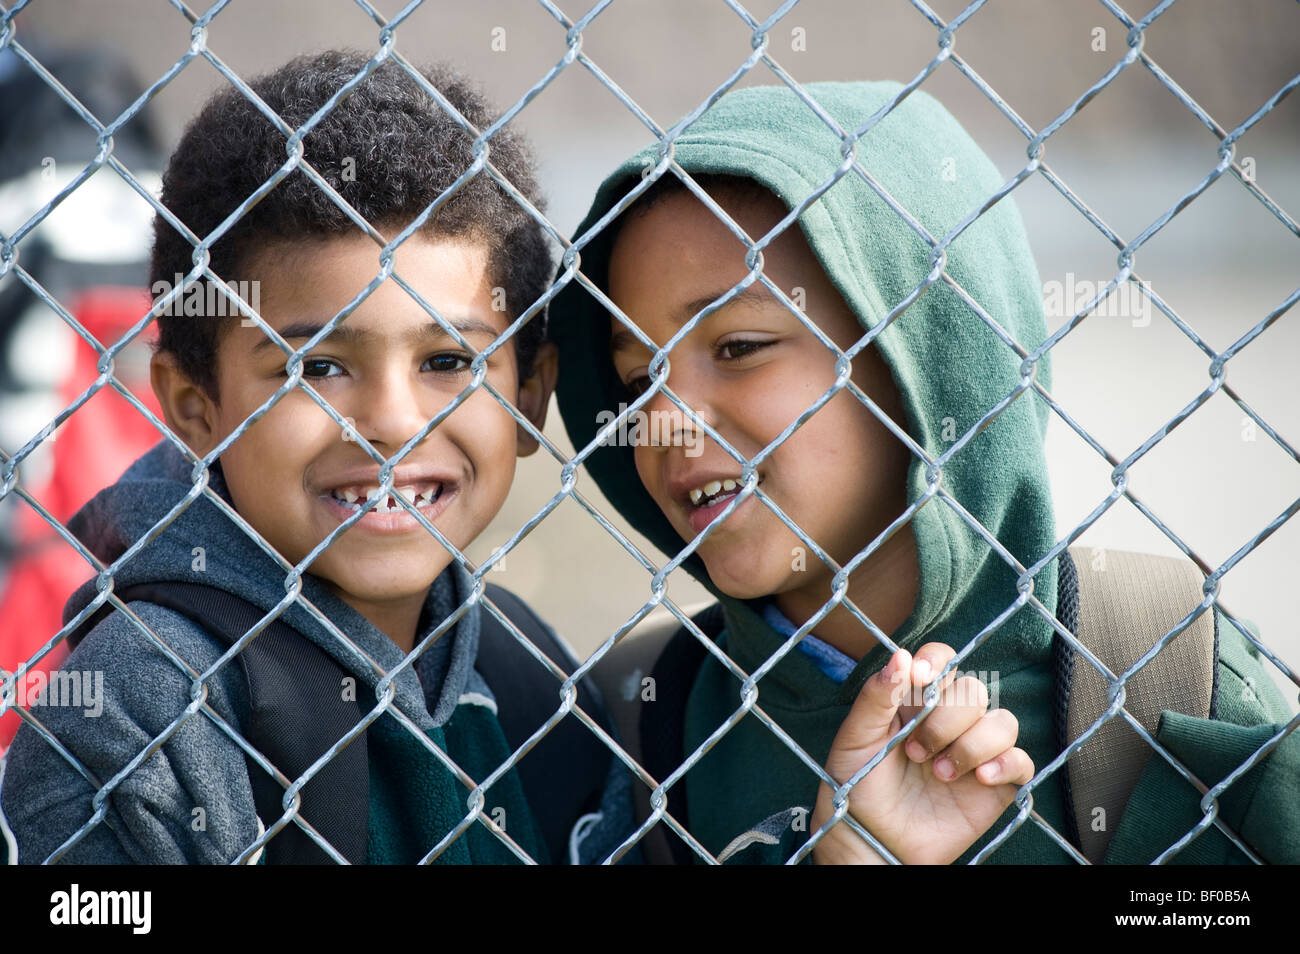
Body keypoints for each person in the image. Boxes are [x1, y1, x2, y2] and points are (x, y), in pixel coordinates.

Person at [551, 80, 1300, 864]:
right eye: (638, 382)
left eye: (738, 347)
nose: (666, 420)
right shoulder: (650, 727)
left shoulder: (1165, 674)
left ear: (921, 355)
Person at [0, 50, 632, 865]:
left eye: (449, 362)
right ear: (195, 405)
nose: (393, 422)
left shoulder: (528, 675)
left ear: (530, 395)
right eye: (316, 367)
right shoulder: (139, 711)